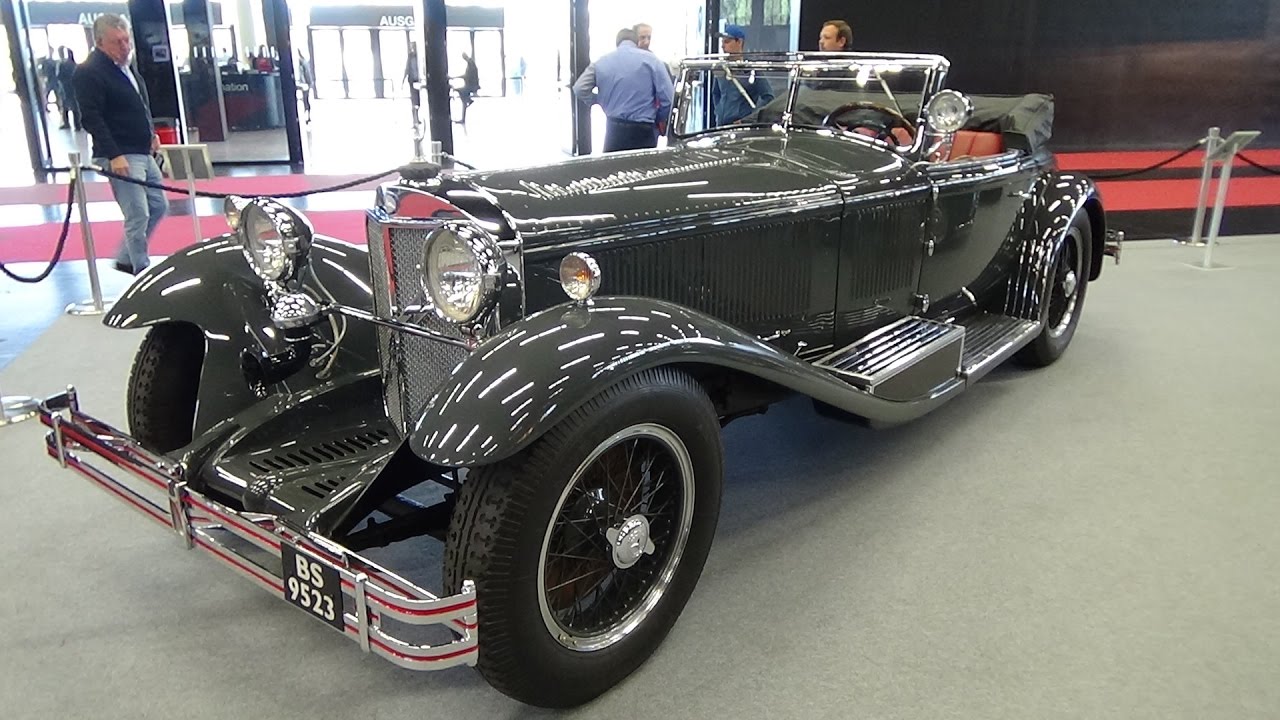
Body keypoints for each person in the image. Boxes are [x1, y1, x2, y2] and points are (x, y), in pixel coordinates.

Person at [74, 14, 168, 275]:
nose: (125, 46)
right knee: (138, 214)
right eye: (118, 42)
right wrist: (114, 155)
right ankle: (141, 268)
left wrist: (151, 133)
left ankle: (126, 258)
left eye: (127, 40)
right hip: (120, 153)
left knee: (159, 205)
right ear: (100, 42)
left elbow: (140, 104)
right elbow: (91, 117)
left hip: (142, 149)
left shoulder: (127, 68)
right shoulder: (89, 72)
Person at [573, 28, 674, 152]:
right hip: (643, 130)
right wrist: (657, 117)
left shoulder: (601, 62)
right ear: (636, 42)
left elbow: (579, 88)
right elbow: (669, 99)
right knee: (643, 170)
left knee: (614, 169)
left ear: (617, 43)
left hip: (614, 129)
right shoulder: (653, 61)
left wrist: (600, 100)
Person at [712, 24, 773, 125]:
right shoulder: (721, 68)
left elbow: (768, 97)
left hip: (740, 127)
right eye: (722, 42)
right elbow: (716, 93)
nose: (723, 46)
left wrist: (750, 118)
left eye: (727, 41)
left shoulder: (752, 69)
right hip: (721, 126)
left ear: (739, 42)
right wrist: (718, 111)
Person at [56, 47, 80, 130]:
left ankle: (67, 123)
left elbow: (59, 76)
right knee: (75, 106)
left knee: (65, 106)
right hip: (74, 87)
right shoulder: (74, 64)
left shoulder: (62, 64)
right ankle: (77, 125)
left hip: (65, 87)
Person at [455, 52, 480, 123]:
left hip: (471, 86)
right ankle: (468, 101)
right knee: (464, 100)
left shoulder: (470, 64)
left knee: (460, 92)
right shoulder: (471, 63)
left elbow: (466, 76)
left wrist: (454, 77)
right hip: (471, 85)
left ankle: (468, 100)